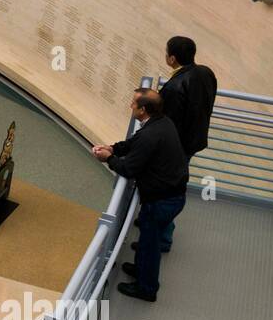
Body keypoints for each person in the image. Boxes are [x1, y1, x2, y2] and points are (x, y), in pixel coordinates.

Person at [92, 88, 188, 302]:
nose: (130, 106)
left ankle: (147, 288)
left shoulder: (150, 134)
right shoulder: (162, 123)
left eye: (133, 103)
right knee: (147, 239)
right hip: (172, 195)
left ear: (143, 110)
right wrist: (113, 148)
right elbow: (134, 145)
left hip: (162, 201)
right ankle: (140, 269)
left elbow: (129, 169)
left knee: (151, 244)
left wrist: (108, 158)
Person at [146, 36, 217, 253]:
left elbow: (168, 123)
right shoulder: (205, 73)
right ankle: (158, 231)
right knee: (173, 189)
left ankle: (161, 238)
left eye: (166, 52)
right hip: (192, 142)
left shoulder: (174, 88)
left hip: (176, 149)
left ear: (172, 58)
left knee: (167, 192)